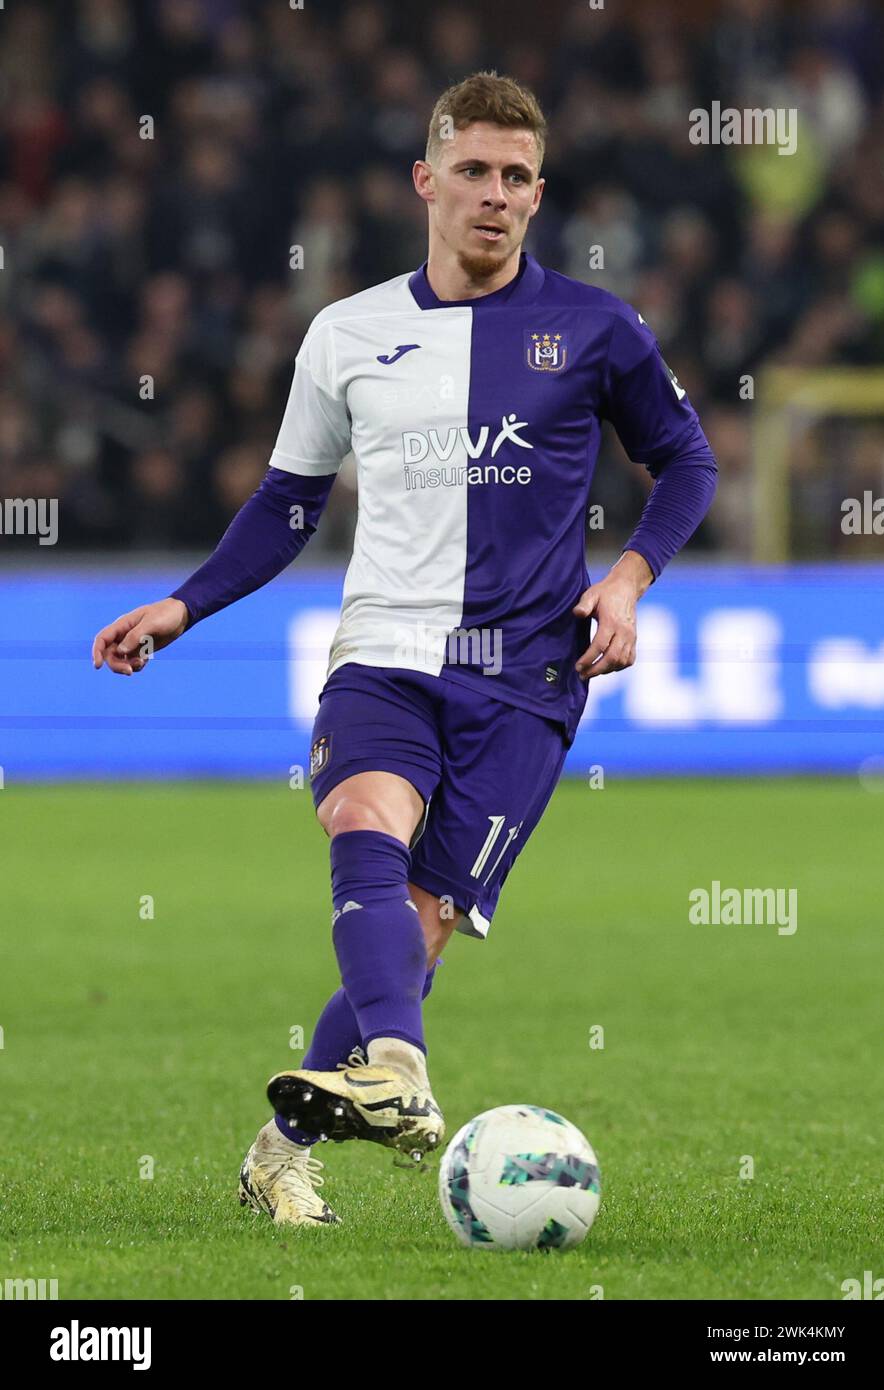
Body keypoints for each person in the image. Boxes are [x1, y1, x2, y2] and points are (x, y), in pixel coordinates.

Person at [92, 71, 718, 1228]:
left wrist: (627, 579)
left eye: (516, 177)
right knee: (360, 820)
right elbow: (288, 503)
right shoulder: (347, 332)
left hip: (529, 677)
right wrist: (184, 605)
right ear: (424, 181)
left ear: (539, 195)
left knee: (416, 936)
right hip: (383, 648)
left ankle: (280, 1152)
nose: (493, 195)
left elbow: (687, 461)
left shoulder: (595, 327)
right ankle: (403, 1073)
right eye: (472, 171)